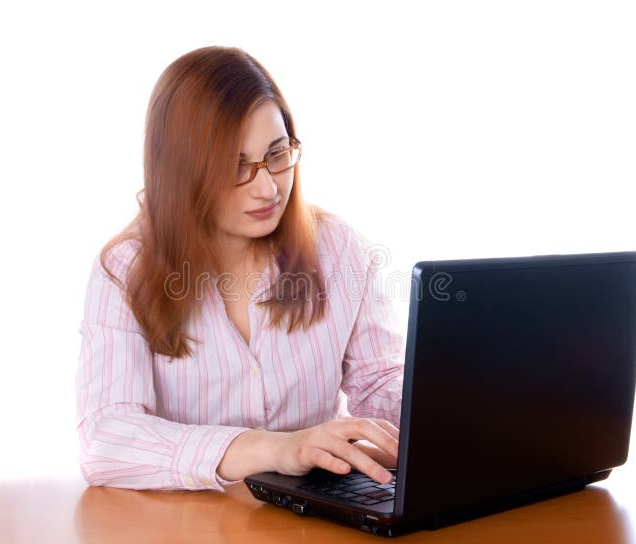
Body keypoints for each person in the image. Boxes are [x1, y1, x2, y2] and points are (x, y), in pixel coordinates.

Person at [75, 46, 405, 492]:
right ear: (181, 172)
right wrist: (276, 449)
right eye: (236, 166)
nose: (268, 188)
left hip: (316, 520)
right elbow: (106, 440)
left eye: (276, 154)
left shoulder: (339, 248)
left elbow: (379, 384)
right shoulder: (125, 269)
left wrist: (461, 408)